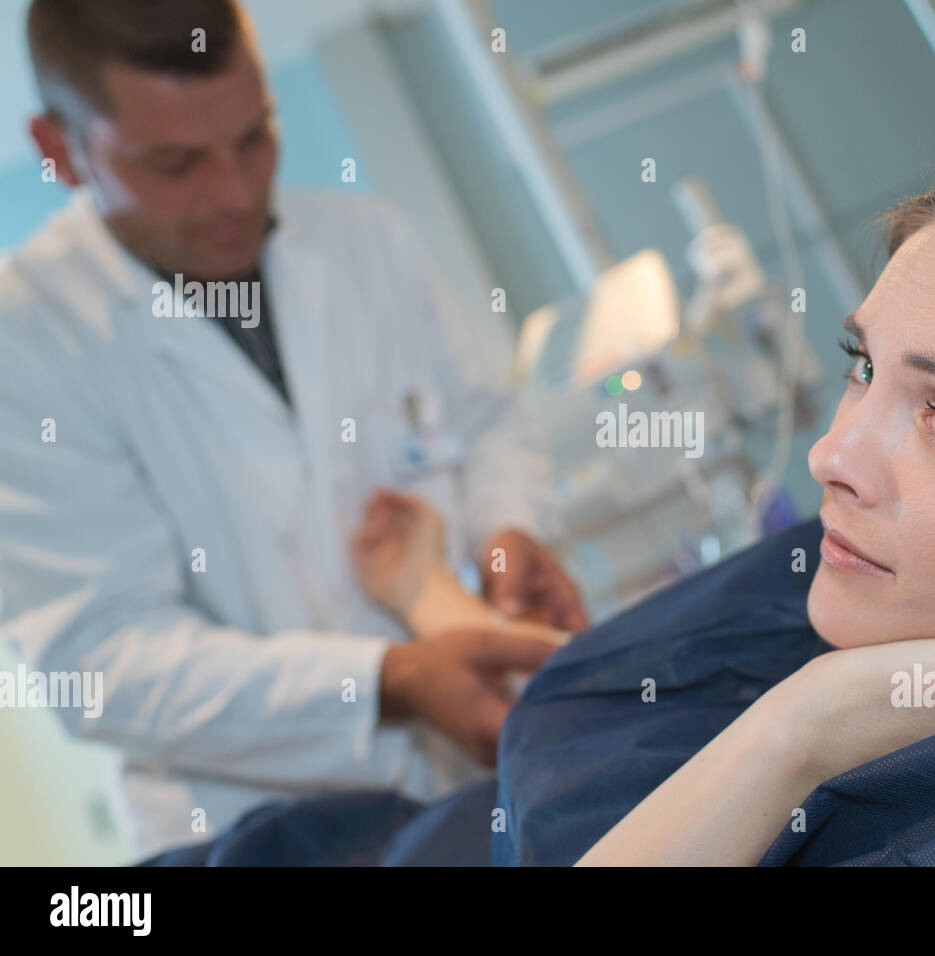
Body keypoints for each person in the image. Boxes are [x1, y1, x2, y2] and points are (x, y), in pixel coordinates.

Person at [133, 140, 935, 867]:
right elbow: (588, 727)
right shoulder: (858, 585)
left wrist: (799, 731)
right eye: (863, 364)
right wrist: (428, 595)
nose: (834, 450)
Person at [0, 0, 586, 861]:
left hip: (476, 789)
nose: (236, 194)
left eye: (254, 139)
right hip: (247, 834)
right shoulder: (28, 343)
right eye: (176, 165)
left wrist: (510, 536)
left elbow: (487, 426)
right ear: (61, 152)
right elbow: (103, 660)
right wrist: (387, 685)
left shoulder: (369, 245)